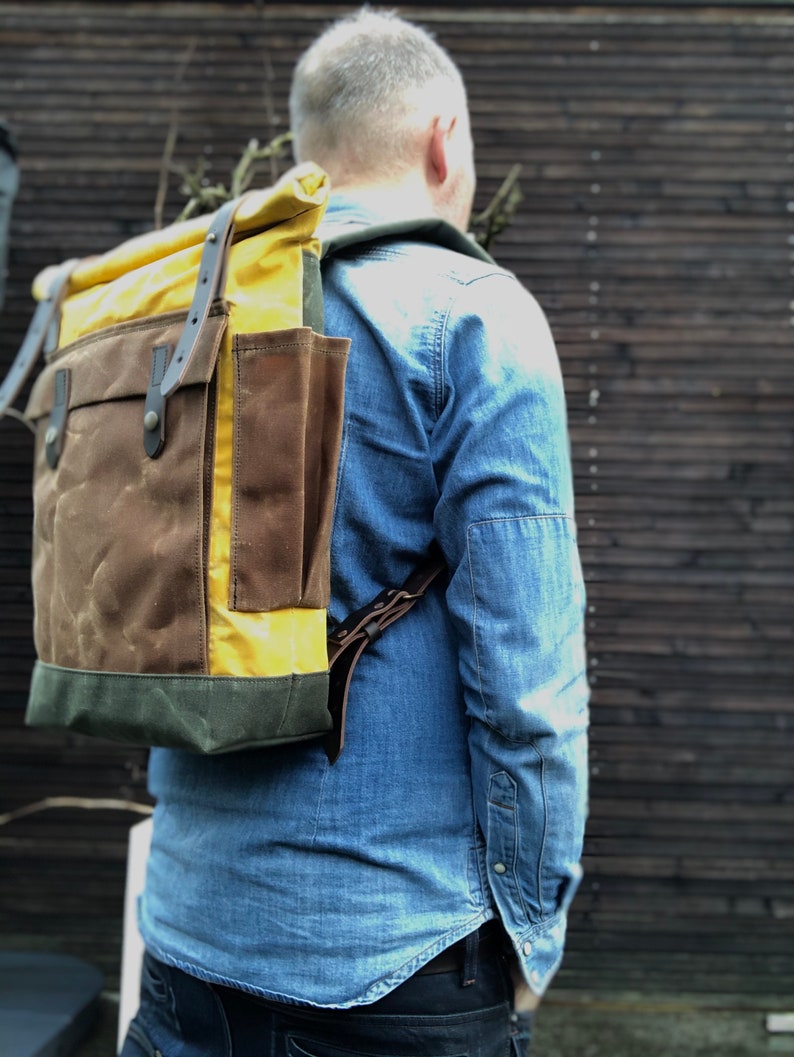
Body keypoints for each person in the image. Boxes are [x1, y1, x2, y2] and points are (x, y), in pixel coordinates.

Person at [121, 9, 589, 1056]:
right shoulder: (472, 312)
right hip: (393, 968)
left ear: (306, 151)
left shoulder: (186, 318)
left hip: (184, 946)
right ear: (444, 137)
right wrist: (531, 937)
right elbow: (529, 688)